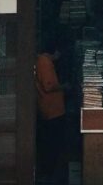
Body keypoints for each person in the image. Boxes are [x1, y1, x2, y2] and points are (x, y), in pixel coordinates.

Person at [35, 38, 67, 184]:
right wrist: (65, 87)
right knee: (52, 143)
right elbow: (49, 86)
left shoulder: (42, 60)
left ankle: (49, 171)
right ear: (56, 51)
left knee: (50, 142)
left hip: (49, 108)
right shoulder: (45, 62)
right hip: (52, 109)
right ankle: (49, 173)